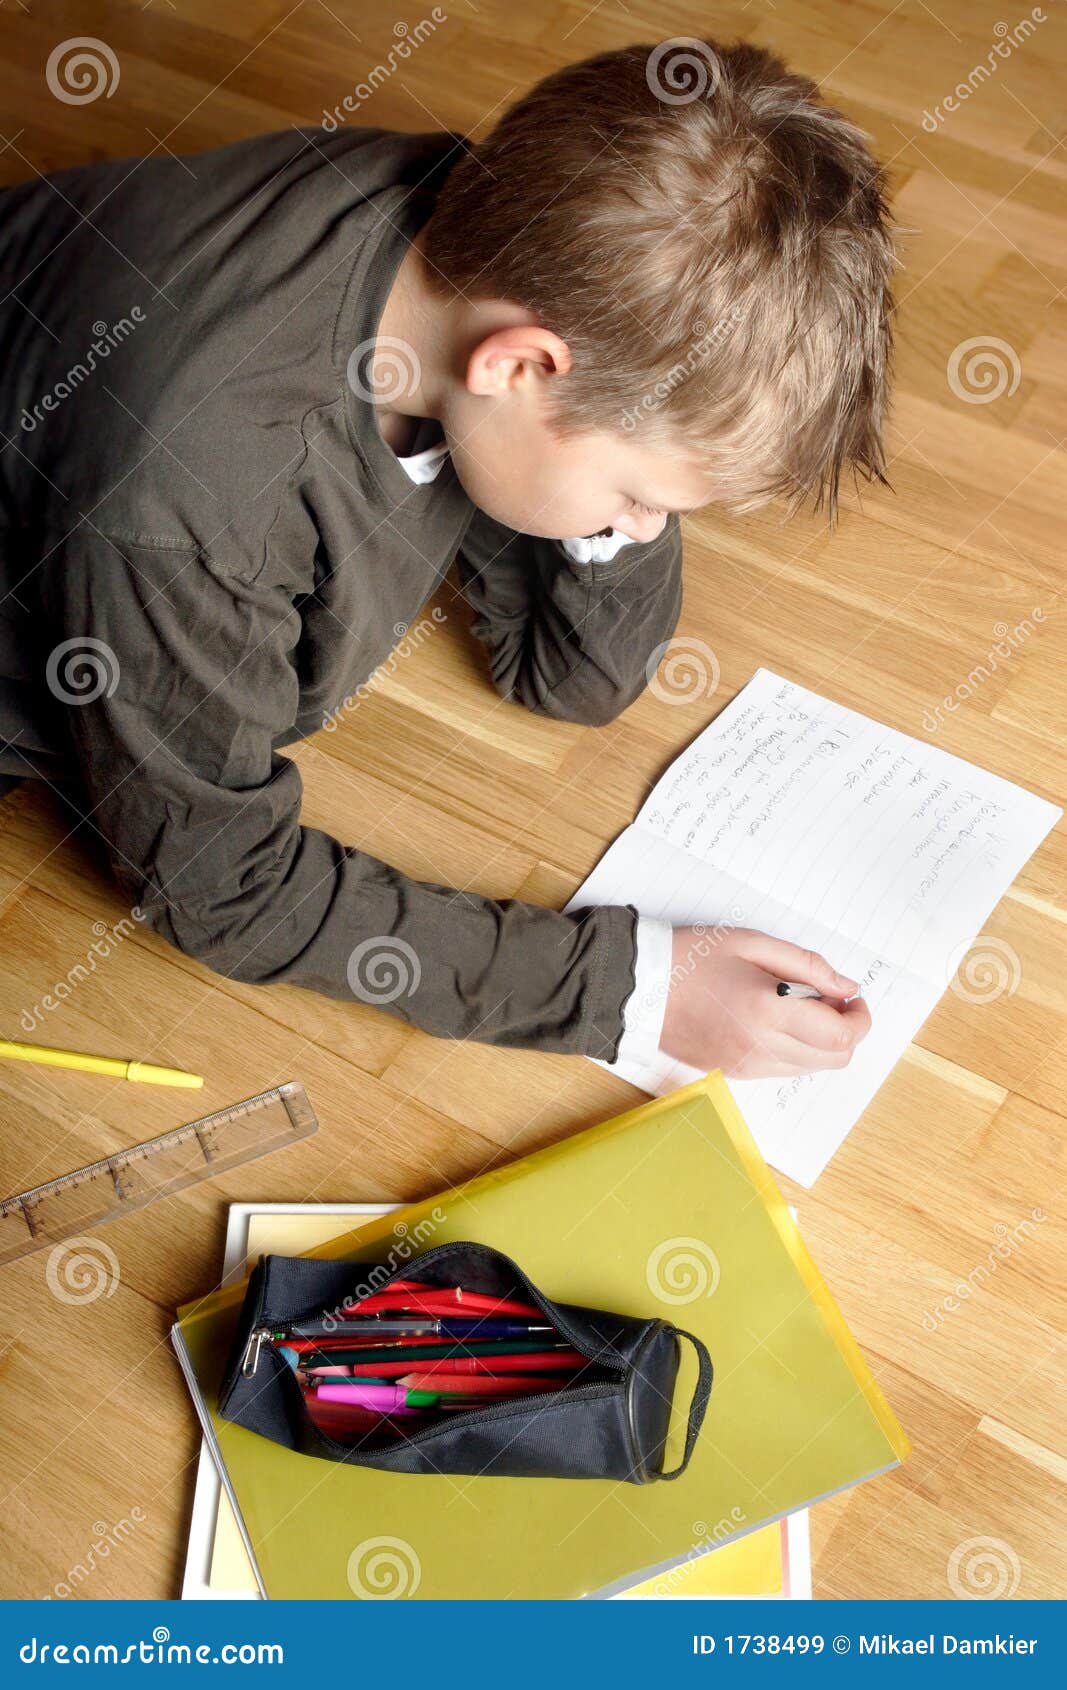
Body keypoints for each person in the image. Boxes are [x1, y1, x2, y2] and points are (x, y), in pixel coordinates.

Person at [0, 40, 887, 1079]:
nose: (643, 527)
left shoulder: (497, 244)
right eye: (638, 497)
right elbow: (218, 884)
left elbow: (571, 677)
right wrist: (632, 991)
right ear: (516, 365)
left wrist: (610, 515)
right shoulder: (189, 498)